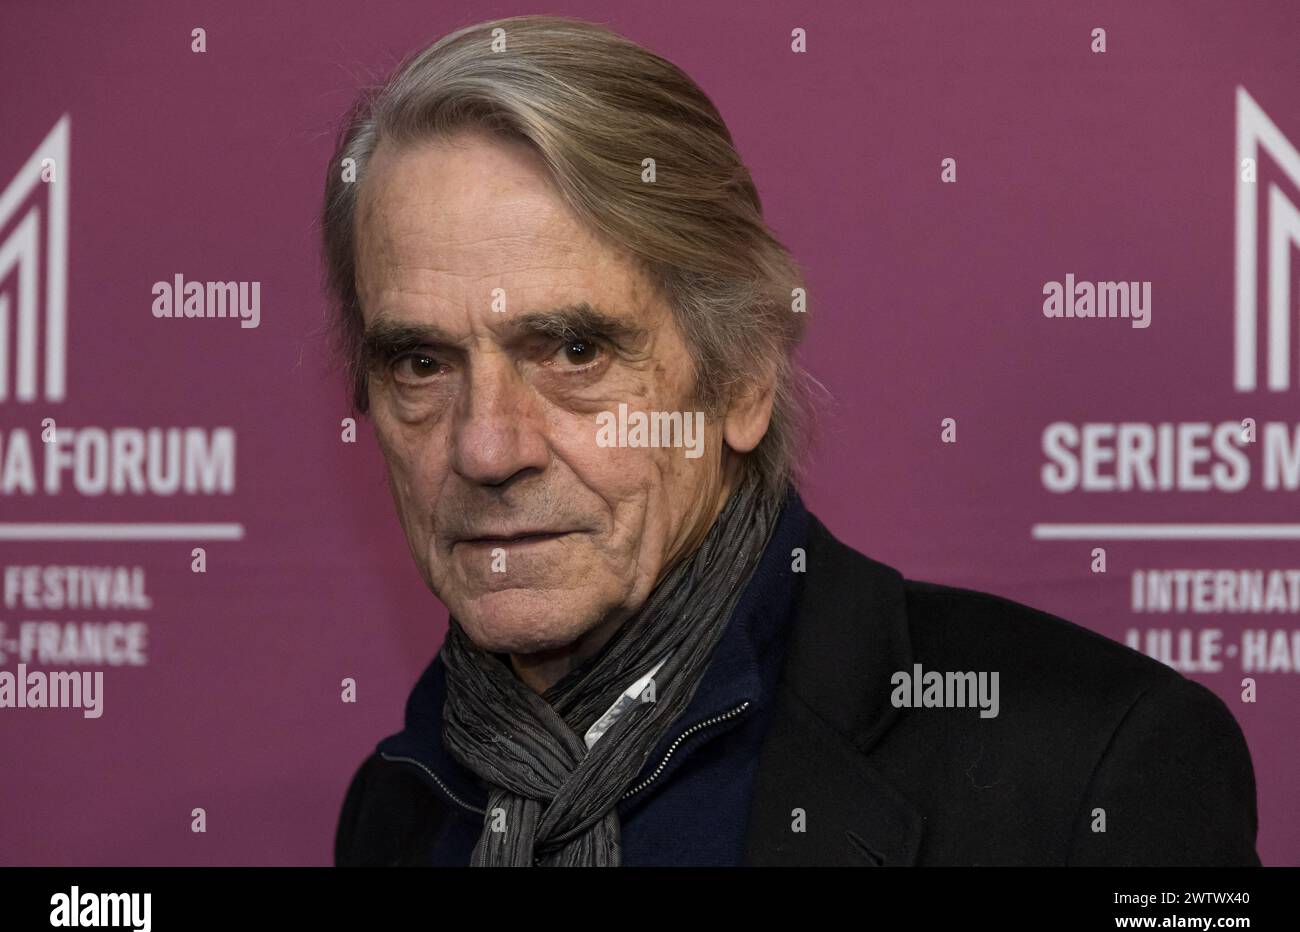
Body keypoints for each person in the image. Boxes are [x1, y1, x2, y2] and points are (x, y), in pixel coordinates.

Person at [323, 14, 1259, 866]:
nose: (487, 448)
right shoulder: (401, 805)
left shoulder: (1092, 770)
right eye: (420, 364)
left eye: (575, 350)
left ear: (742, 377)